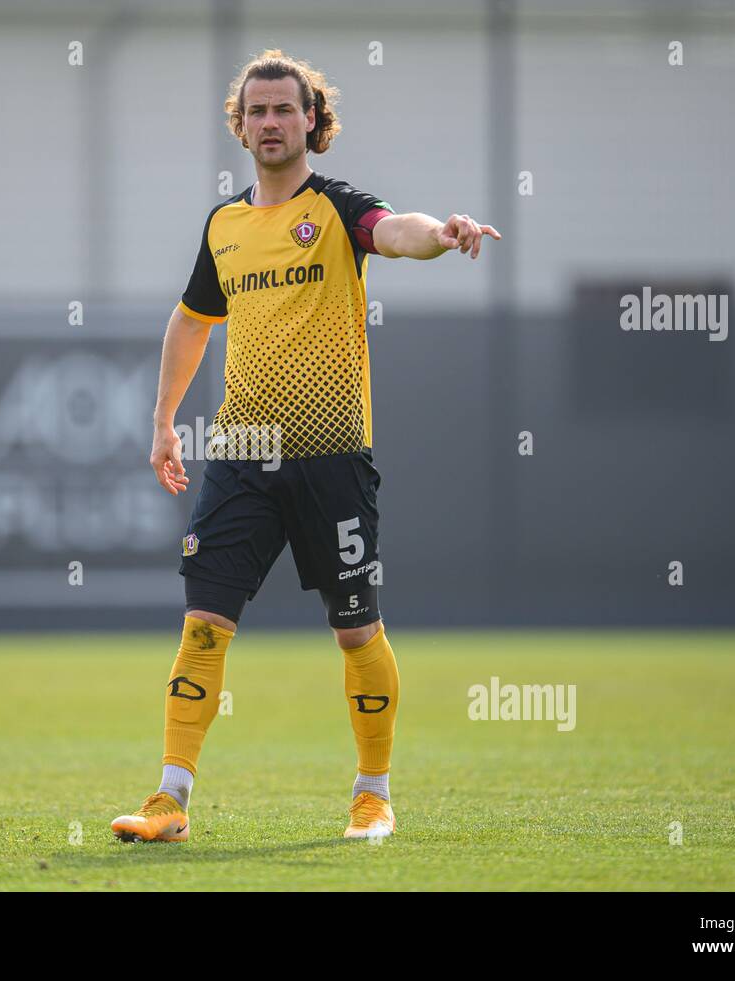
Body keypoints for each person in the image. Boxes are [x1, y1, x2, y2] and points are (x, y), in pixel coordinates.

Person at [112, 51, 500, 841]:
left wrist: (443, 231)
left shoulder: (335, 207)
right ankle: (170, 799)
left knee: (356, 630)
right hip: (241, 456)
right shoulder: (223, 226)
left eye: (284, 110)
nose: (269, 123)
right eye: (255, 111)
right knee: (203, 625)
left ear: (312, 121)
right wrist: (162, 421)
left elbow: (396, 232)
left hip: (332, 457)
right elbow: (192, 320)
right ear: (241, 124)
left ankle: (373, 792)